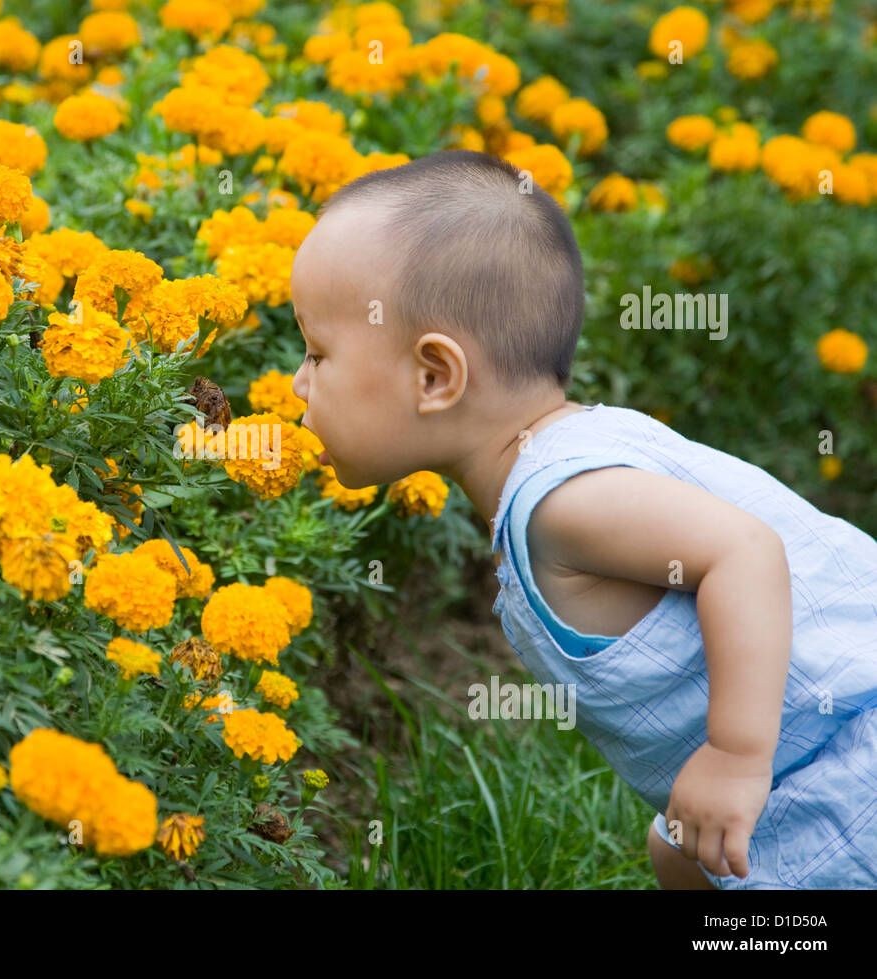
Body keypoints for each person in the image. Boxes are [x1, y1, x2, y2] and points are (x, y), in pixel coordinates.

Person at [289, 149, 877, 889]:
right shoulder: (575, 452)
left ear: (434, 376)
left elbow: (746, 552)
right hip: (810, 753)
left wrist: (733, 756)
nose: (297, 380)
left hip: (851, 771)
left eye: (317, 352)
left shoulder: (566, 498)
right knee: (680, 854)